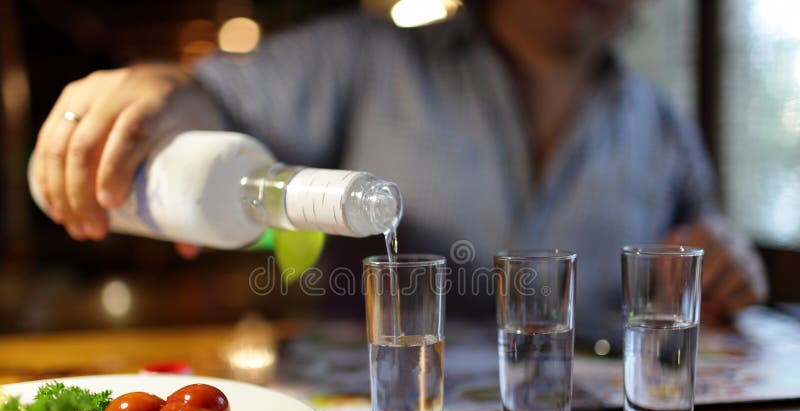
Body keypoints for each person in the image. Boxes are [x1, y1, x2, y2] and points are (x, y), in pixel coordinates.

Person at [30, 0, 766, 345]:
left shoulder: (664, 125)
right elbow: (213, 94)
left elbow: (702, 248)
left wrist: (731, 262)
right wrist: (157, 88)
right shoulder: (366, 56)